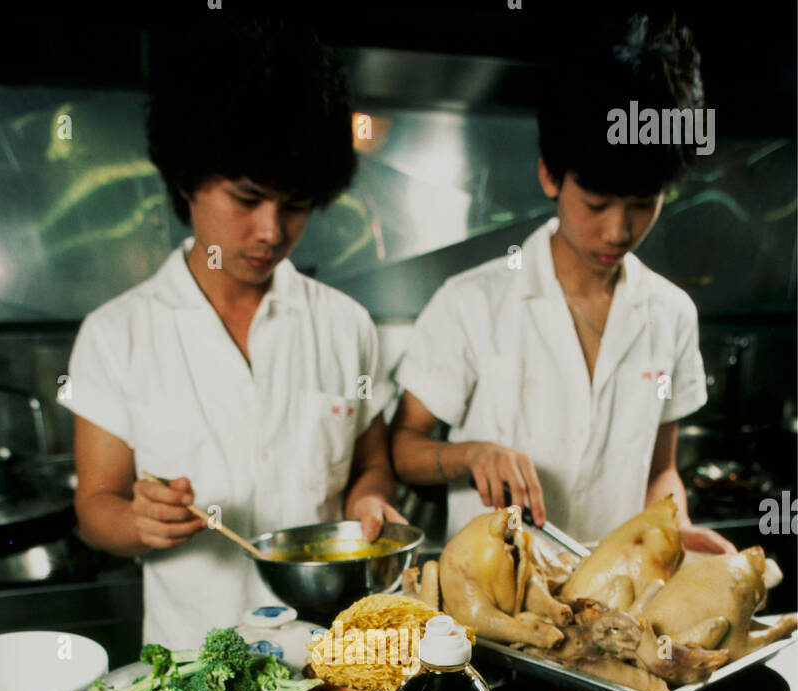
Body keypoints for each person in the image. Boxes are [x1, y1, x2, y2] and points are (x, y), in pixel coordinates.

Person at [67, 23, 402, 647]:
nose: (272, 231)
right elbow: (95, 507)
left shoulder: (343, 324)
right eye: (247, 199)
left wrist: (370, 504)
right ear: (187, 179)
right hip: (192, 667)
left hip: (324, 657)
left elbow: (373, 466)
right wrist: (139, 519)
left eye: (296, 205)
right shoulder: (118, 335)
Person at [390, 16, 734, 554]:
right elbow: (403, 448)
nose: (618, 231)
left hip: (615, 611)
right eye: (596, 203)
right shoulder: (472, 302)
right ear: (550, 174)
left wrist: (677, 528)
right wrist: (472, 455)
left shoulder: (671, 314)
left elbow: (659, 471)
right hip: (494, 611)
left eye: (643, 204)